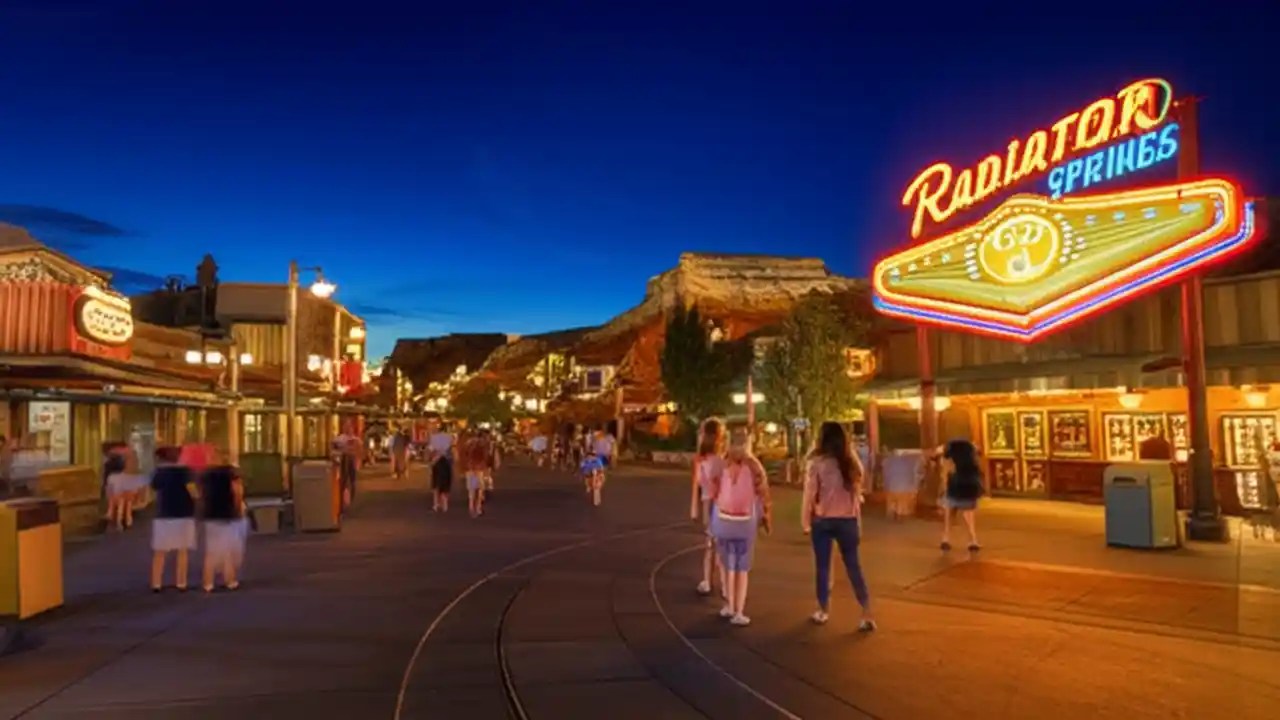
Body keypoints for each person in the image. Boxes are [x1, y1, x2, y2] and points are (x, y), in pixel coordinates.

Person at [801, 422, 875, 630]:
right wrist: (857, 523)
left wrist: (805, 521)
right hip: (848, 520)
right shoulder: (851, 464)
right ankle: (866, 611)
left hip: (823, 520)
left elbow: (809, 495)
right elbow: (857, 496)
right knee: (853, 566)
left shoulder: (816, 463)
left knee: (823, 567)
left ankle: (822, 609)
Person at [708, 428, 772, 626]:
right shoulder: (755, 467)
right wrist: (766, 518)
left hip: (723, 519)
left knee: (727, 564)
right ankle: (739, 611)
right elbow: (764, 494)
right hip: (745, 522)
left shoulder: (721, 464)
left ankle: (728, 604)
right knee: (742, 567)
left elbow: (713, 491)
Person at [150, 446, 197, 592]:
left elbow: (154, 488)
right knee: (182, 550)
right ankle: (181, 582)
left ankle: (156, 583)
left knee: (160, 551)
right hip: (183, 512)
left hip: (164, 513)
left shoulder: (159, 472)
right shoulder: (185, 471)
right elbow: (193, 490)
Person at [199, 451, 246, 592]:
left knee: (210, 551)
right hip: (227, 513)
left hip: (210, 514)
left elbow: (200, 493)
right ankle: (230, 581)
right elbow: (237, 492)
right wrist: (238, 508)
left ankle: (208, 583)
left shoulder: (205, 474)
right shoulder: (231, 473)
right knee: (227, 550)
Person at [690, 418, 726, 597]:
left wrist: (694, 507)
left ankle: (710, 580)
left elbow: (696, 485)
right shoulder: (720, 459)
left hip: (713, 502)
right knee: (716, 544)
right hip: (717, 503)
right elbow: (696, 484)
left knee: (712, 544)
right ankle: (718, 582)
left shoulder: (715, 459)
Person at [940, 438, 984, 552]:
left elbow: (945, 473)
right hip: (969, 487)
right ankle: (973, 540)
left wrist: (943, 489)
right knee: (969, 514)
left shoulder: (950, 458)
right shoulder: (972, 460)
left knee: (949, 514)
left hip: (954, 486)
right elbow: (978, 474)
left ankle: (946, 538)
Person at [105, 447, 148, 530]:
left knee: (122, 500)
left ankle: (116, 515)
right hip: (125, 499)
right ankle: (123, 518)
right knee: (125, 501)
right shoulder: (116, 478)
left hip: (123, 499)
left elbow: (109, 492)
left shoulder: (113, 477)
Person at [462, 431, 491, 518]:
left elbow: (464, 454)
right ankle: (478, 508)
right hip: (479, 469)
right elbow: (485, 457)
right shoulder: (482, 445)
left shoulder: (468, 444)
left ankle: (471, 507)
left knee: (472, 490)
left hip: (470, 467)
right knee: (480, 490)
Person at [427, 424, 454, 512]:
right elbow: (450, 450)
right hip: (446, 462)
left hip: (436, 462)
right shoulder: (450, 437)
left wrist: (431, 460)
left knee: (436, 484)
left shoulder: (433, 438)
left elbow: (431, 450)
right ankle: (445, 505)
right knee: (445, 484)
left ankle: (435, 504)